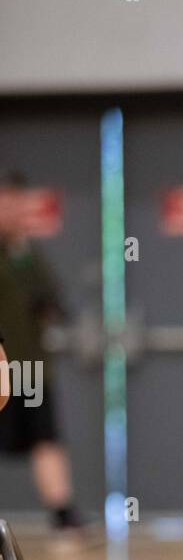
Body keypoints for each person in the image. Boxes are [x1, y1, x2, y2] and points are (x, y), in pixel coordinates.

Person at [0, 172, 84, 532]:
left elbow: (53, 301)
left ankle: (63, 516)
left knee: (44, 437)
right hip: (1, 365)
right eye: (7, 203)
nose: (14, 211)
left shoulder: (27, 253)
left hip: (29, 368)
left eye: (19, 204)